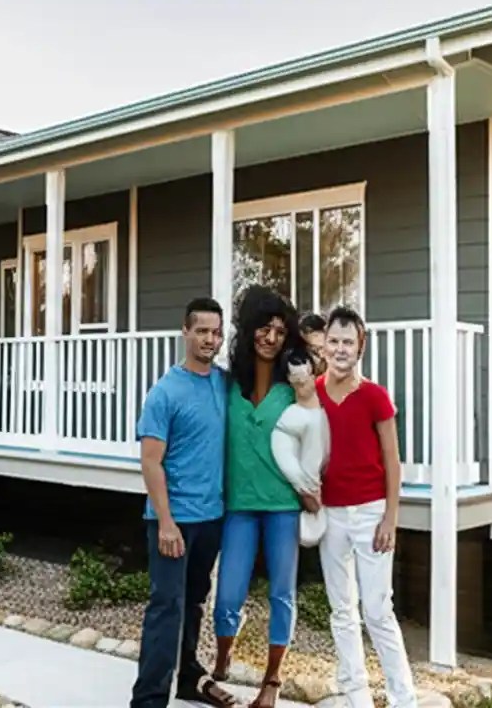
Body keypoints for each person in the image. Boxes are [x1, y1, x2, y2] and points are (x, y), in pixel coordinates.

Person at [211, 286, 315, 708]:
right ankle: (220, 661)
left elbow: (316, 437)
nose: (270, 337)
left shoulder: (293, 388)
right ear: (249, 329)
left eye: (279, 330)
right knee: (229, 593)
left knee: (282, 594)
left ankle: (271, 681)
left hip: (282, 507)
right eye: (263, 328)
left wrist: (311, 486)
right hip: (239, 505)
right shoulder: (227, 383)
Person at [131, 297, 238, 708]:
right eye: (202, 331)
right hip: (174, 521)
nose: (211, 339)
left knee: (194, 601)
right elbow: (150, 462)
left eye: (216, 332)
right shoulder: (164, 392)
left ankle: (188, 678)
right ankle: (148, 699)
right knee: (165, 609)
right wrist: (166, 522)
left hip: (212, 517)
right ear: (185, 333)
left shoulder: (223, 384)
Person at [316, 306, 418, 708]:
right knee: (342, 609)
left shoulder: (375, 396)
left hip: (372, 513)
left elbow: (392, 460)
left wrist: (391, 517)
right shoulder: (314, 394)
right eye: (334, 341)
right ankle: (356, 696)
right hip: (331, 516)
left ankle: (403, 698)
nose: (340, 349)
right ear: (323, 345)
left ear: (361, 347)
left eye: (348, 342)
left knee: (377, 609)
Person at [270, 349, 330, 548]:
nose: (302, 382)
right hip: (313, 494)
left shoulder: (328, 412)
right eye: (295, 378)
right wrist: (308, 491)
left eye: (306, 376)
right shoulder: (291, 417)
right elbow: (286, 458)